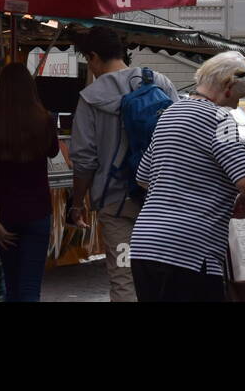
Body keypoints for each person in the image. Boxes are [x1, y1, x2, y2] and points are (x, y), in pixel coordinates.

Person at [129, 51, 245, 302]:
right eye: (237, 98)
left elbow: (143, 177)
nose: (235, 106)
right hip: (191, 249)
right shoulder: (220, 118)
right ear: (228, 87)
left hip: (145, 245)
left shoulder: (170, 113)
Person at [69, 26, 179, 302]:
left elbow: (84, 159)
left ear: (93, 56)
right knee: (162, 272)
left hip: (115, 202)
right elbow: (180, 135)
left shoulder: (90, 98)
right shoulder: (160, 83)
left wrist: (77, 201)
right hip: (160, 199)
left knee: (123, 274)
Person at [0, 63, 59, 302]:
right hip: (38, 212)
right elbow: (53, 152)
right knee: (29, 286)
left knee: (12, 285)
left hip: (5, 215)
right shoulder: (45, 120)